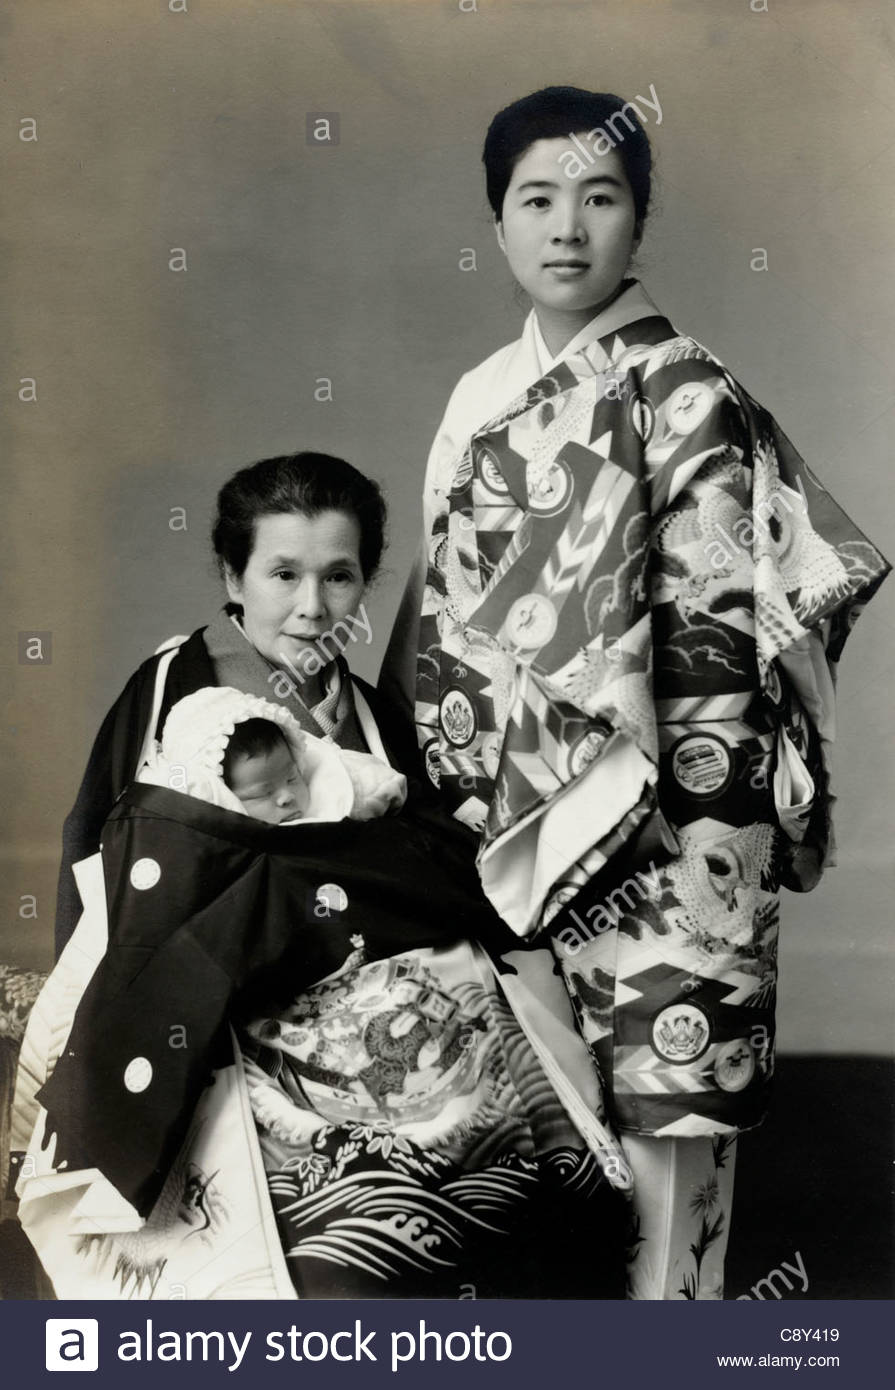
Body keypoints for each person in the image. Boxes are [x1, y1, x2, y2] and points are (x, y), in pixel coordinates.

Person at [381, 86, 890, 1300]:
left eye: (599, 199)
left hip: (684, 800)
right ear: (497, 223)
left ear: (638, 220)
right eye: (536, 200)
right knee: (532, 1104)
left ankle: (681, 1347)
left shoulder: (695, 392)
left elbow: (761, 616)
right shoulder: (475, 401)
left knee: (672, 1107)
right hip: (506, 795)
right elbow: (439, 618)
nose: (567, 228)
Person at [12, 450, 629, 1300]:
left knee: (537, 1194)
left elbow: (425, 870)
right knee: (303, 1269)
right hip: (223, 1021)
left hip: (380, 1015)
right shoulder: (170, 693)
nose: (311, 608)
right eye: (282, 574)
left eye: (339, 577)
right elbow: (109, 880)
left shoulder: (372, 716)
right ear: (232, 573)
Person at [146, 684, 407, 825]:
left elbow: (369, 783)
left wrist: (378, 788)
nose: (286, 797)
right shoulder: (215, 816)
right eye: (262, 793)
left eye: (292, 778)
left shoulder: (326, 796)